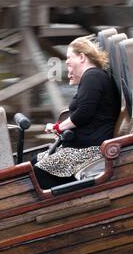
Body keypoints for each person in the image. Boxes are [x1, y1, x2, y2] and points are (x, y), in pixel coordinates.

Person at [32, 36, 120, 189]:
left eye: (69, 58)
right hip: (83, 145)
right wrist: (59, 126)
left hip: (92, 150)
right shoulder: (92, 77)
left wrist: (59, 127)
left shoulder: (92, 76)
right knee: (34, 161)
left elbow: (83, 114)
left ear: (81, 57)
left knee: (38, 171)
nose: (66, 62)